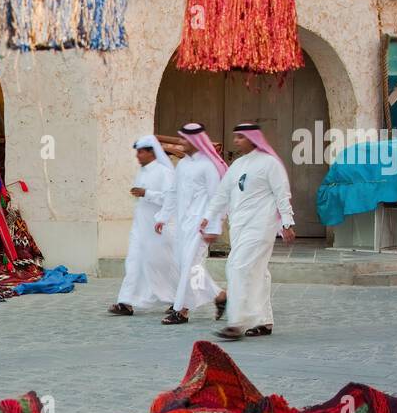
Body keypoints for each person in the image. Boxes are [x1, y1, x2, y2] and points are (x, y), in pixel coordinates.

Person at [200, 123, 296, 340]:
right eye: (235, 137)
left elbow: (282, 194)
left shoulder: (270, 163)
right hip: (240, 227)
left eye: (240, 137)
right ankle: (263, 321)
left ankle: (237, 323)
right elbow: (222, 194)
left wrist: (287, 223)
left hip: (261, 226)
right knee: (258, 272)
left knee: (238, 267)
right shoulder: (238, 165)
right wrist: (209, 216)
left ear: (253, 139)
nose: (236, 141)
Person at [155, 123, 228, 324]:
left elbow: (217, 197)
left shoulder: (208, 165)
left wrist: (214, 226)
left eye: (184, 139)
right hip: (182, 223)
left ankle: (182, 310)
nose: (179, 142)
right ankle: (220, 296)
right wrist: (163, 216)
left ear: (195, 141)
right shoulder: (184, 164)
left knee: (190, 265)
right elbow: (172, 192)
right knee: (186, 266)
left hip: (201, 224)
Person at [110, 135, 178, 316]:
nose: (138, 156)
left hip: (158, 228)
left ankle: (178, 299)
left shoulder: (165, 173)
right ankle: (125, 302)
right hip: (140, 227)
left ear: (151, 152)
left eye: (141, 152)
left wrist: (146, 193)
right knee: (133, 261)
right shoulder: (143, 171)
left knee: (164, 264)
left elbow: (170, 198)